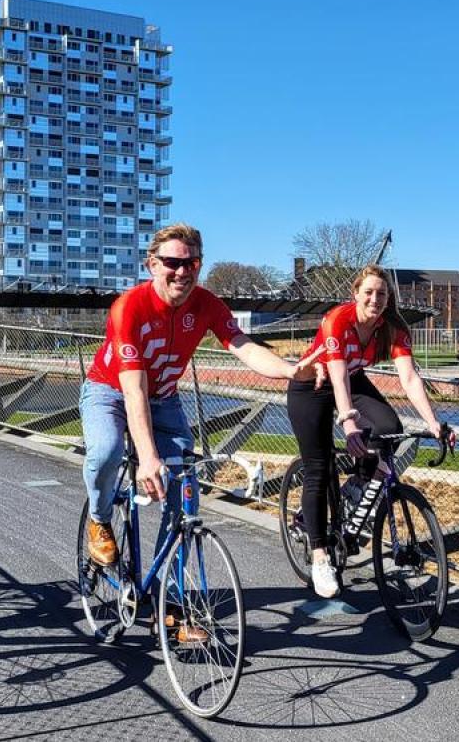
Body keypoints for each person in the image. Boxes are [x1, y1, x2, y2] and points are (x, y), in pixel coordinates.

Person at [81, 223, 319, 640]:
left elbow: (242, 345)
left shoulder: (206, 304)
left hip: (165, 398)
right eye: (172, 263)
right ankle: (99, 520)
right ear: (152, 264)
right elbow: (133, 390)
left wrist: (290, 371)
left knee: (184, 500)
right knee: (106, 450)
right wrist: (148, 456)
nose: (182, 272)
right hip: (112, 391)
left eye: (191, 263)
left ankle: (166, 605)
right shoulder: (129, 308)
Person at [286, 264, 453, 599]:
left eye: (382, 293)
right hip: (314, 384)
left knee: (389, 429)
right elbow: (336, 378)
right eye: (369, 293)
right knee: (318, 468)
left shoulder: (391, 327)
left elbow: (408, 378)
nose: (375, 299)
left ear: (388, 298)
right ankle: (319, 556)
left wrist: (433, 422)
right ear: (356, 295)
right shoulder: (338, 320)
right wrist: (349, 425)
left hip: (353, 377)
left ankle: (353, 490)